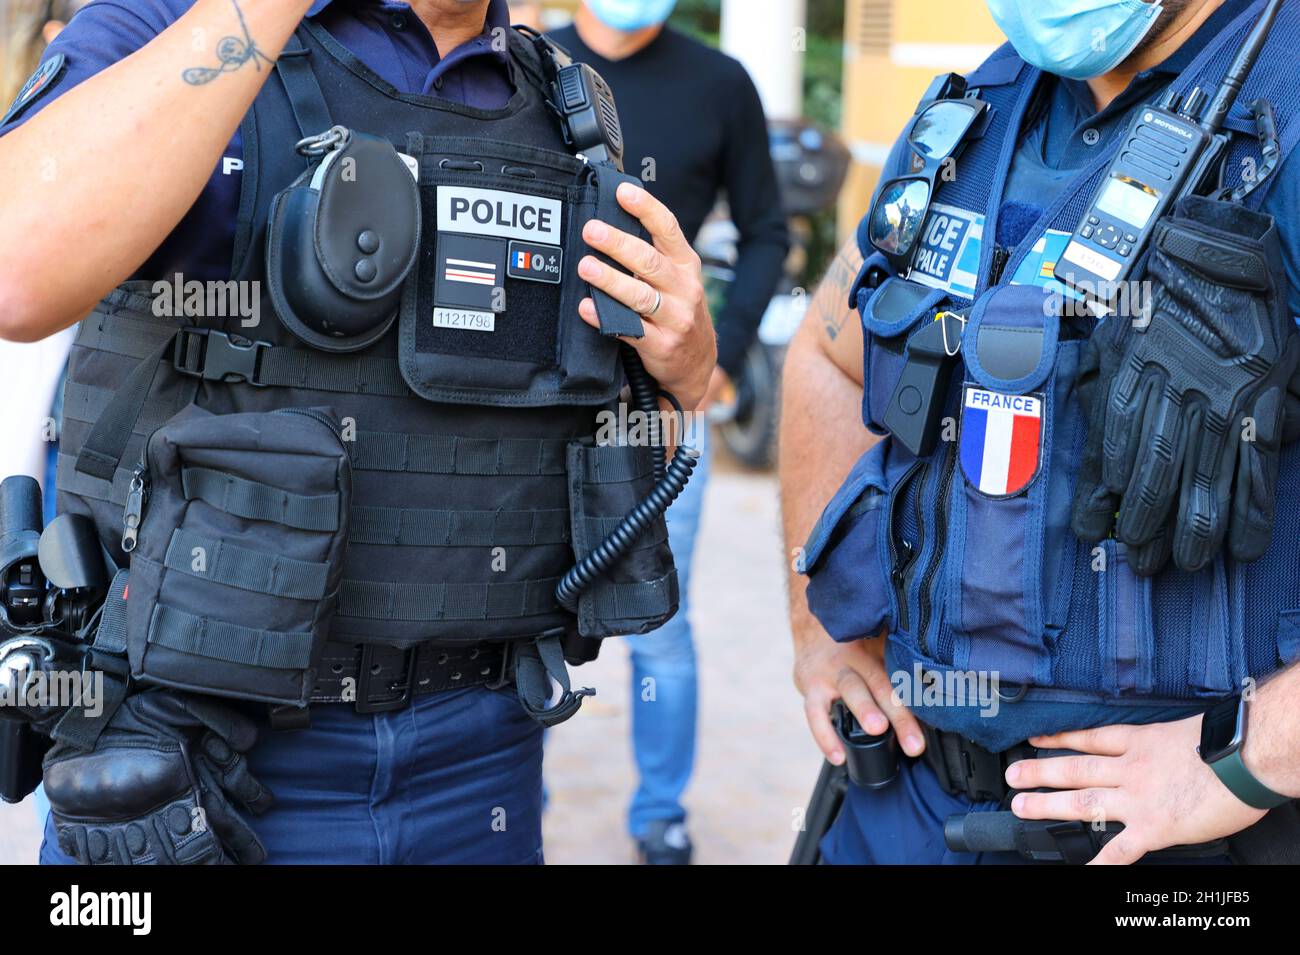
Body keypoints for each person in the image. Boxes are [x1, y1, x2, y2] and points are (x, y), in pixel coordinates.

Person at [0, 0, 716, 865]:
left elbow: (620, 434)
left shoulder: (570, 105)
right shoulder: (167, 25)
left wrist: (684, 363)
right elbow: (17, 273)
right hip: (190, 757)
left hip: (482, 753)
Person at [782, 0, 1300, 865]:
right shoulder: (971, 113)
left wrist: (1252, 759)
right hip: (906, 803)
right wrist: (820, 632)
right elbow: (828, 355)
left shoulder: (1281, 103)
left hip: (1178, 840)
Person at [549, 0, 788, 864]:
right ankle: (516, 799)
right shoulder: (530, 62)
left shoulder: (720, 83)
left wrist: (720, 350)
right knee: (512, 616)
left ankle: (659, 815)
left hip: (662, 409)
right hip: (535, 400)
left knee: (661, 629)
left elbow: (766, 230)